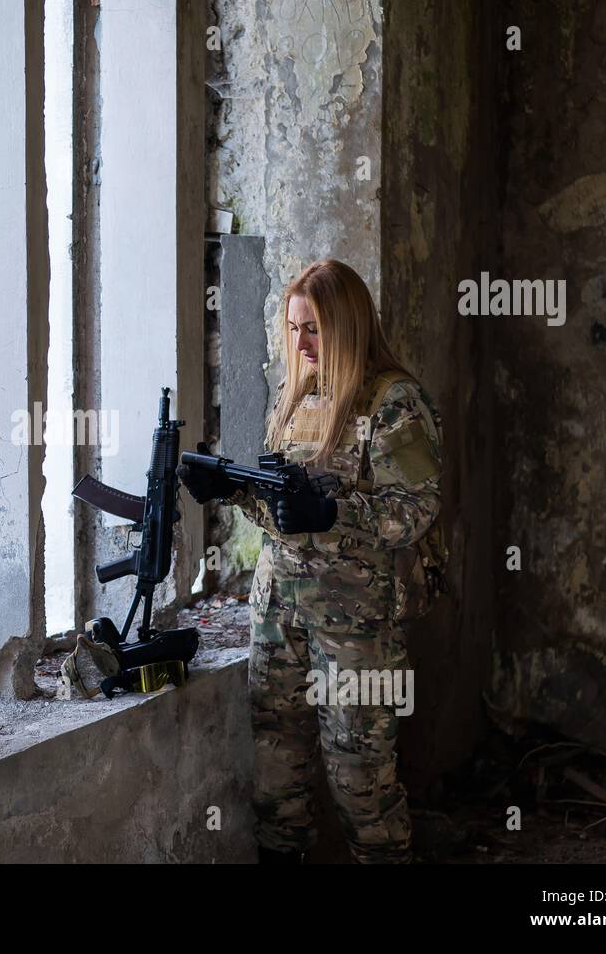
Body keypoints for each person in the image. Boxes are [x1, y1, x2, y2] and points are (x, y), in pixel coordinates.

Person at [178, 259, 443, 864]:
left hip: (356, 626)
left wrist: (334, 514)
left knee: (362, 783)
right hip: (280, 616)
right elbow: (284, 515)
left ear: (348, 325)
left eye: (315, 328)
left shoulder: (394, 402)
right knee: (277, 782)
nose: (301, 342)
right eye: (294, 328)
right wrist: (235, 490)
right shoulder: (298, 397)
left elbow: (417, 509)